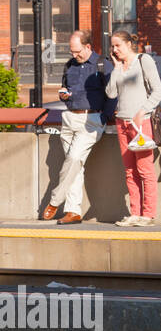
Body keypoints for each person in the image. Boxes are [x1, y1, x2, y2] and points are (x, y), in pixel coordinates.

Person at [43, 31, 110, 224]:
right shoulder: (69, 65)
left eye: (77, 51)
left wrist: (103, 118)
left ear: (88, 47)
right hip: (69, 118)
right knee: (75, 166)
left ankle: (55, 201)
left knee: (72, 158)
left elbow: (112, 94)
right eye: (72, 51)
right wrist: (64, 95)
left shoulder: (102, 65)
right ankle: (73, 211)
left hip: (91, 120)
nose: (74, 55)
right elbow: (66, 88)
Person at [104, 29, 161, 227]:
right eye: (112, 46)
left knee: (145, 169)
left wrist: (142, 112)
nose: (114, 49)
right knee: (130, 171)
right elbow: (111, 93)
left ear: (129, 44)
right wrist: (116, 67)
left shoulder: (143, 60)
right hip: (122, 122)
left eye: (118, 45)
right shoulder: (119, 66)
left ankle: (148, 214)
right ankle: (135, 213)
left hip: (142, 123)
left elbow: (158, 91)